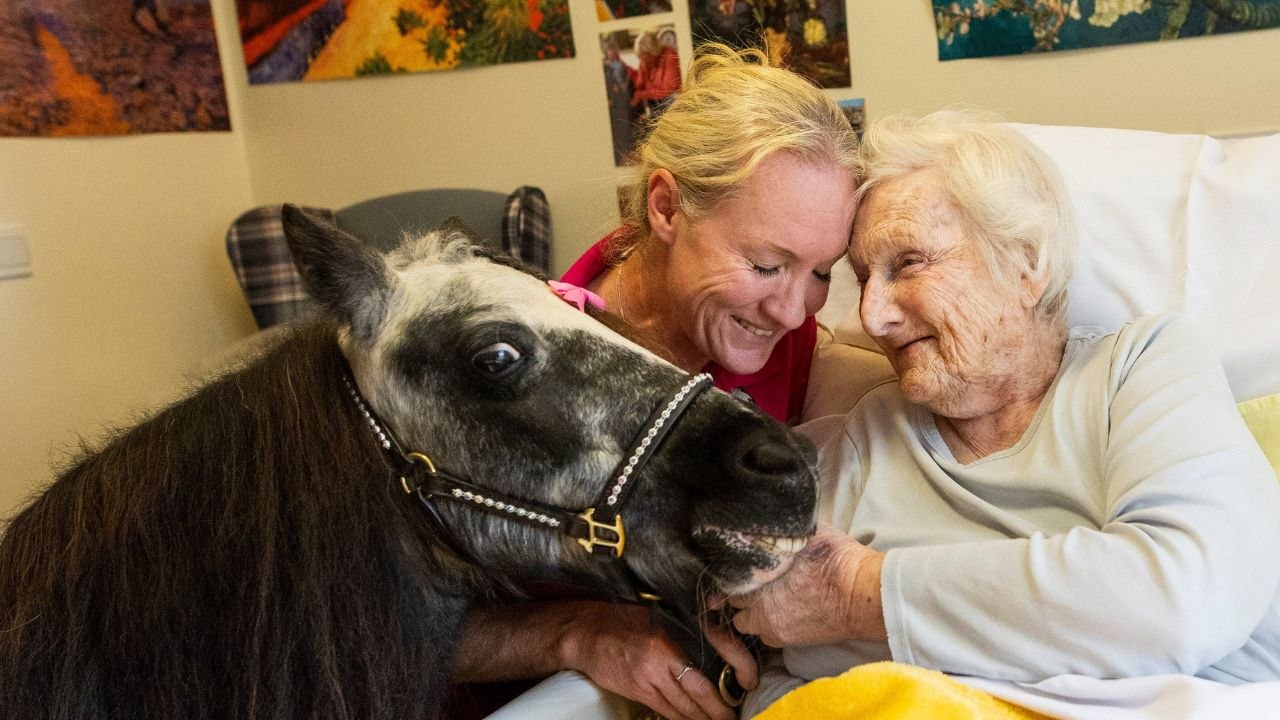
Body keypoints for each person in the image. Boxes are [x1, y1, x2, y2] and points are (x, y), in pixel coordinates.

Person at [726, 108, 1280, 717]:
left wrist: (860, 594)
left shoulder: (1141, 371)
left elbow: (1184, 596)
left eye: (907, 263)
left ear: (1025, 260)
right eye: (862, 280)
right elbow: (776, 662)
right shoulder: (858, 442)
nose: (872, 316)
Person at [449, 43, 860, 720]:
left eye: (820, 272)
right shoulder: (511, 368)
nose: (793, 312)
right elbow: (365, 624)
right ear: (666, 207)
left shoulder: (782, 347)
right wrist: (578, 633)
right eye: (764, 265)